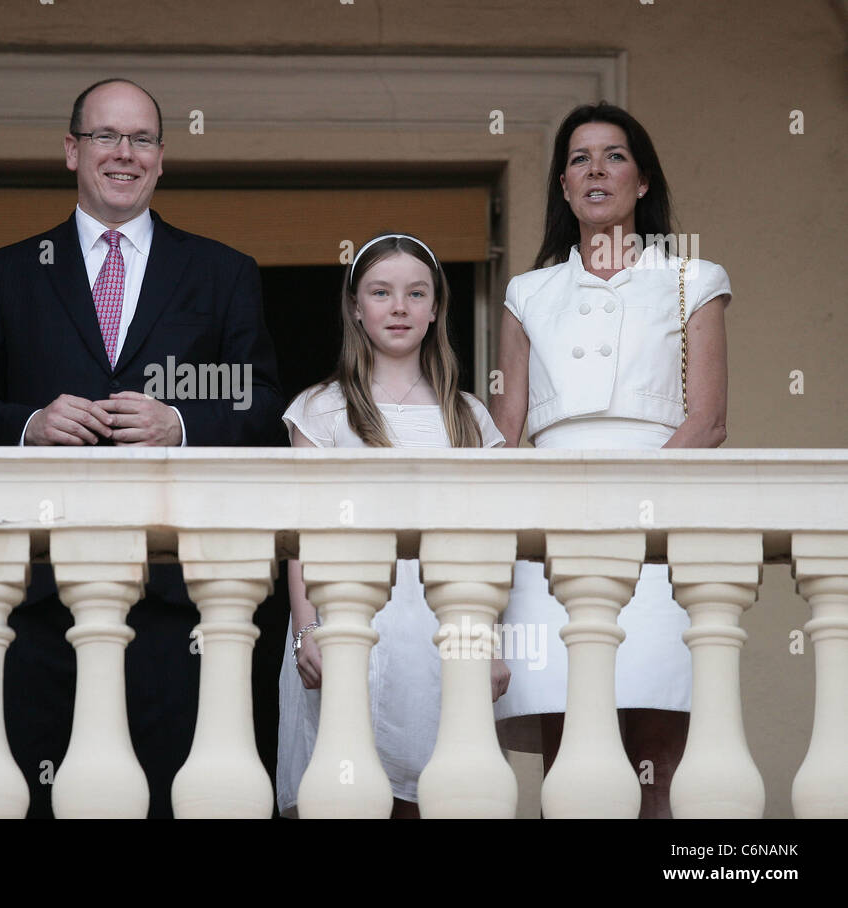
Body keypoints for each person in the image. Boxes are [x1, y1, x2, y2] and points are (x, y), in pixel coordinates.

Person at [0, 78, 285, 817]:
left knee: (173, 800)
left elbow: (259, 409)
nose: (124, 154)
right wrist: (29, 425)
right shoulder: (5, 274)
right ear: (71, 150)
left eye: (142, 139)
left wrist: (179, 425)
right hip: (36, 598)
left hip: (180, 602)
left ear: (162, 159)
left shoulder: (222, 273)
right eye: (105, 137)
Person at [490, 102, 730, 818]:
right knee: (572, 756)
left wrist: (634, 500)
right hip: (551, 532)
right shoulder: (526, 292)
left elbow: (709, 421)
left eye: (614, 155)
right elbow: (506, 432)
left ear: (644, 180)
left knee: (656, 750)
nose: (596, 170)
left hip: (662, 525)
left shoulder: (694, 277)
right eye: (579, 158)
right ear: (563, 186)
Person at [276, 233, 507, 818]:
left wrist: (492, 639)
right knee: (344, 789)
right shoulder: (321, 410)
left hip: (439, 626)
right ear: (357, 307)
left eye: (415, 293)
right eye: (381, 292)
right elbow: (304, 530)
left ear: (435, 309)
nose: (399, 307)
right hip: (347, 618)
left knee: (433, 793)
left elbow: (490, 541)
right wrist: (306, 627)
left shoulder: (471, 417)